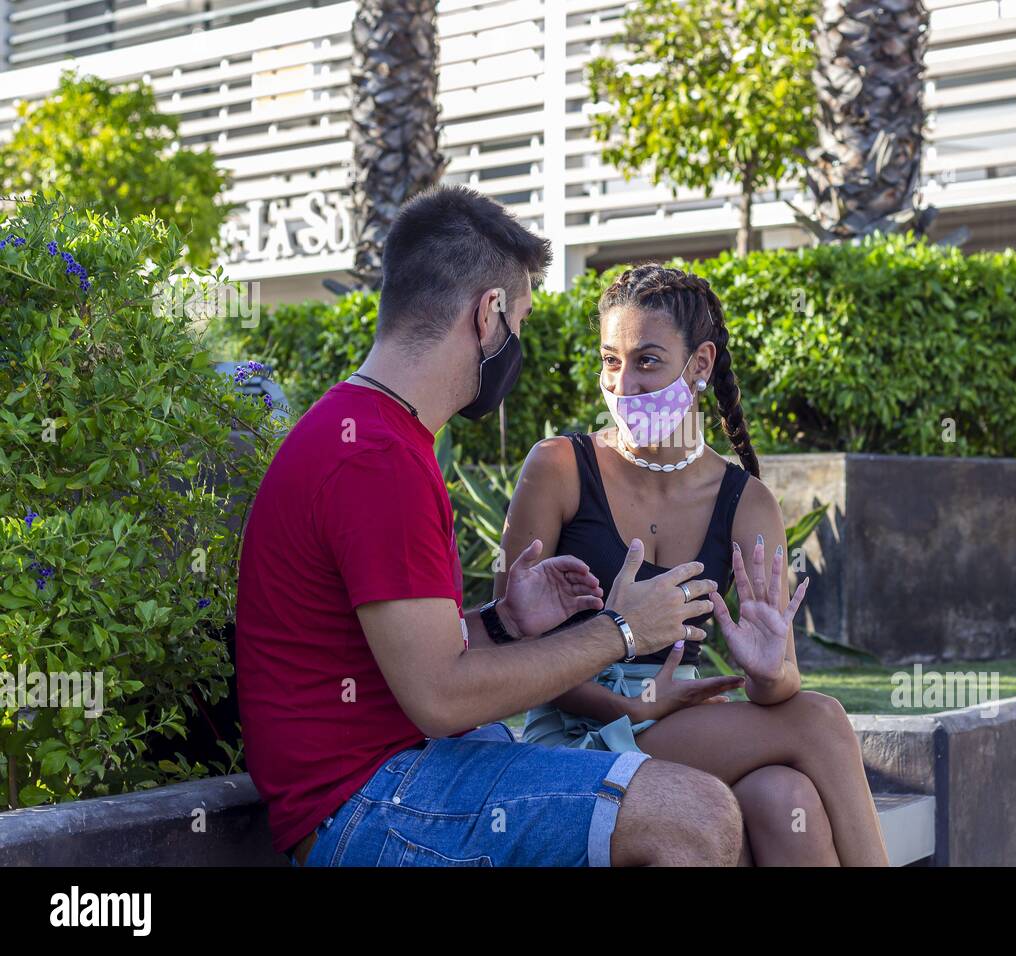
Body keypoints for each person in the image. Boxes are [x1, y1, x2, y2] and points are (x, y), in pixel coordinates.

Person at [236, 186, 755, 867]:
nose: (520, 345)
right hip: (367, 806)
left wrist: (503, 623)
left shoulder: (367, 432)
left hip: (393, 780)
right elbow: (440, 698)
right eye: (523, 320)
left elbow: (406, 658)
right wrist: (623, 630)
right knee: (695, 815)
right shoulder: (376, 459)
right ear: (489, 314)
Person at [496, 263, 891, 866]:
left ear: (700, 364)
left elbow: (783, 681)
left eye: (647, 361)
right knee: (820, 723)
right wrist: (629, 705)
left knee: (785, 799)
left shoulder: (745, 501)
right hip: (577, 727)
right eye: (610, 360)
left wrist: (766, 672)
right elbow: (505, 642)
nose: (623, 384)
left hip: (677, 716)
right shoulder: (559, 467)